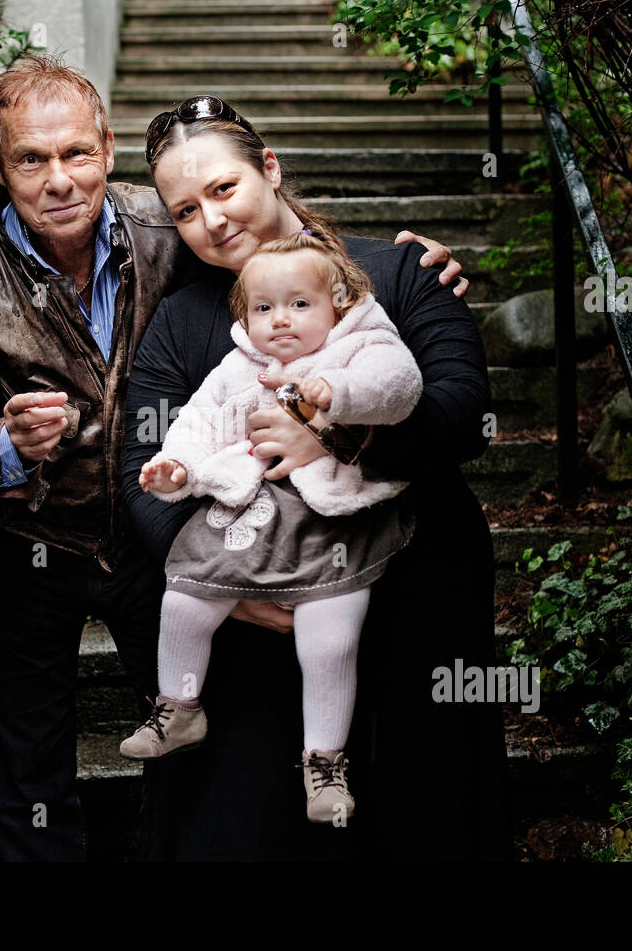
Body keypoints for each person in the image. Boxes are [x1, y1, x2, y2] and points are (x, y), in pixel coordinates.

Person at [0, 56, 468, 861]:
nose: (59, 179)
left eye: (76, 154)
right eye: (31, 159)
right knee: (29, 765)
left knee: (192, 741)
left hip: (148, 542)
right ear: (1, 166)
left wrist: (403, 269)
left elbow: (269, 235)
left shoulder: (167, 228)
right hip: (32, 540)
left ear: (105, 148)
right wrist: (2, 444)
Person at [124, 96, 512, 860]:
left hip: (412, 598)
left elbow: (462, 413)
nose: (213, 220)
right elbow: (142, 468)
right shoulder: (180, 322)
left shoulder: (399, 271)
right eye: (186, 210)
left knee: (424, 820)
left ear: (270, 168)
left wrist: (336, 437)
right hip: (252, 625)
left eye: (224, 189)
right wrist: (227, 590)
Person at [119, 229, 422, 826]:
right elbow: (199, 419)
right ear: (245, 316)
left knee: (329, 638)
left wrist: (338, 393)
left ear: (337, 301)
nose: (280, 321)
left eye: (299, 304)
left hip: (332, 524)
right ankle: (179, 706)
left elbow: (401, 386)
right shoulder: (239, 366)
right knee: (184, 598)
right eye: (263, 308)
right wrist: (177, 463)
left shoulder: (361, 343)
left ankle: (324, 764)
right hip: (250, 516)